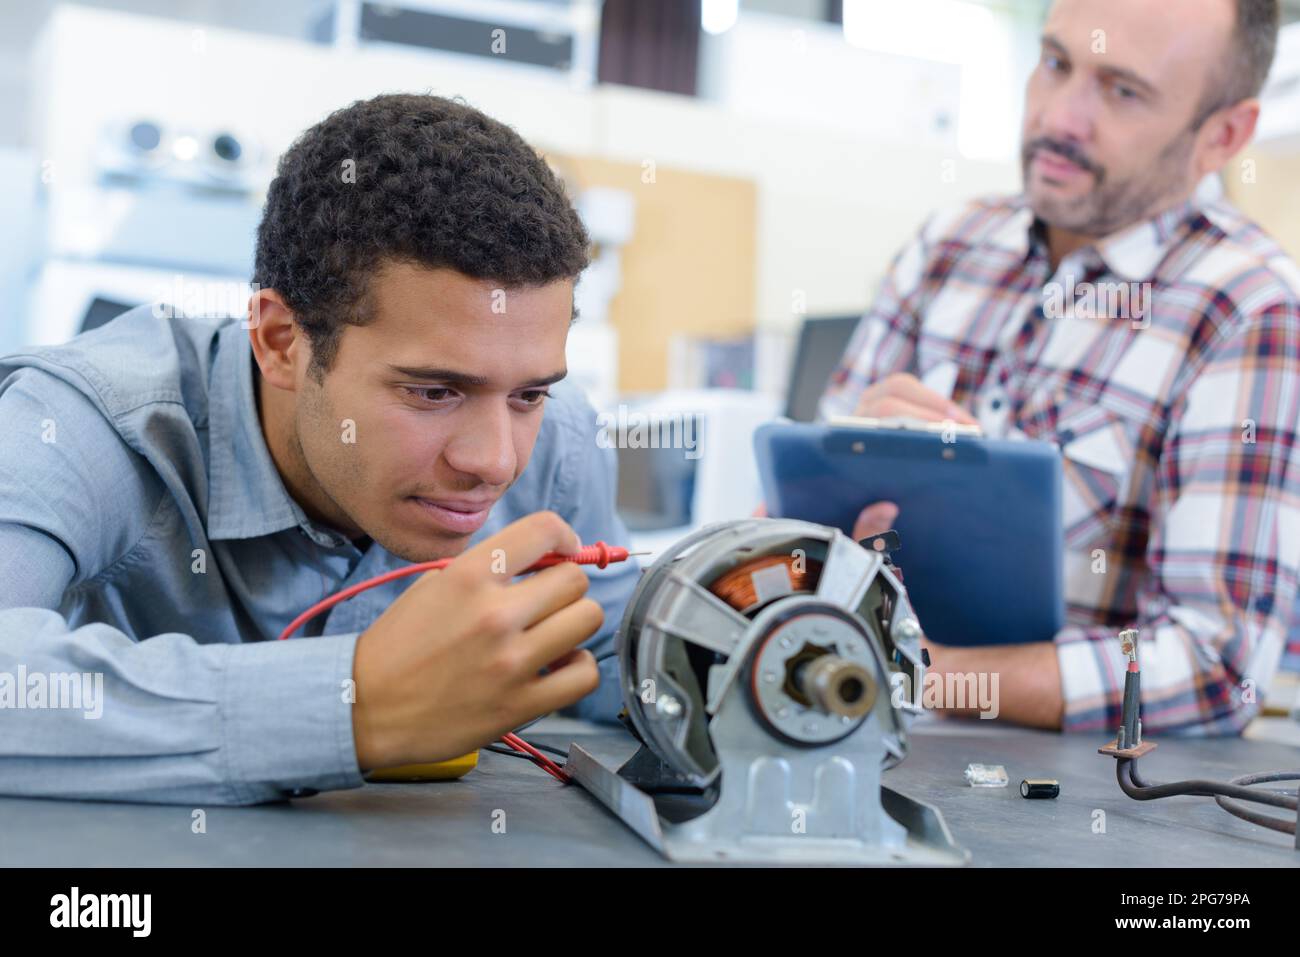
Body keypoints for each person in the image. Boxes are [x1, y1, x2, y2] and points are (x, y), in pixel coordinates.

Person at [0, 93, 638, 804]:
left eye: (528, 394)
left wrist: (735, 635)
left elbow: (616, 654)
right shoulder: (84, 424)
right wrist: (356, 705)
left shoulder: (565, 440)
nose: (495, 461)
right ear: (281, 342)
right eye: (433, 392)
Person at [822, 0, 1300, 734]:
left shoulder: (1248, 308)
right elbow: (792, 542)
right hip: (841, 727)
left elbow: (1215, 666)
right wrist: (839, 479)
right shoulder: (949, 244)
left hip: (1047, 810)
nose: (1061, 118)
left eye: (1123, 90)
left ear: (1222, 136)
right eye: (1055, 63)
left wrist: (910, 673)